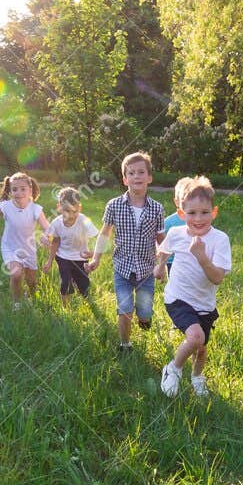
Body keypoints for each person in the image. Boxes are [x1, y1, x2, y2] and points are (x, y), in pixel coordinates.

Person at [155, 176, 232, 398]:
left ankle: (197, 378)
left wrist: (202, 258)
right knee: (196, 337)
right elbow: (165, 250)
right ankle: (173, 369)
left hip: (205, 303)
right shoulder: (176, 233)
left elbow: (217, 278)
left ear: (214, 212)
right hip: (177, 297)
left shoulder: (219, 240)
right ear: (181, 214)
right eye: (192, 213)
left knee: (201, 348)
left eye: (204, 213)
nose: (198, 219)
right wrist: (160, 267)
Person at [89, 152, 165, 355]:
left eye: (141, 172)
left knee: (145, 311)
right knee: (124, 309)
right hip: (122, 268)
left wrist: (162, 264)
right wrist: (96, 257)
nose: (136, 176)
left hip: (146, 270)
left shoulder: (157, 209)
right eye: (131, 173)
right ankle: (125, 345)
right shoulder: (114, 205)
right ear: (125, 179)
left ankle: (145, 319)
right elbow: (105, 234)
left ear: (149, 177)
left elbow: (161, 240)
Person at [0, 172, 49, 308]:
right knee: (16, 274)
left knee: (31, 282)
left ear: (30, 190)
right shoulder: (6, 206)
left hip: (28, 249)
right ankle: (17, 303)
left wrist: (45, 235)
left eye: (23, 189)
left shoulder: (35, 209)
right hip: (10, 247)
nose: (18, 192)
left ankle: (32, 297)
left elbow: (46, 227)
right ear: (10, 191)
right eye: (14, 189)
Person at [46, 186, 99, 306]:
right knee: (66, 283)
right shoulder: (56, 223)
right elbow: (55, 242)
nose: (71, 215)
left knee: (84, 287)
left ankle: (82, 293)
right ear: (59, 207)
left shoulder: (84, 220)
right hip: (63, 257)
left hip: (81, 257)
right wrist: (49, 261)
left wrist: (93, 254)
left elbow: (99, 238)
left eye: (74, 211)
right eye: (67, 211)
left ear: (79, 208)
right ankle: (66, 309)